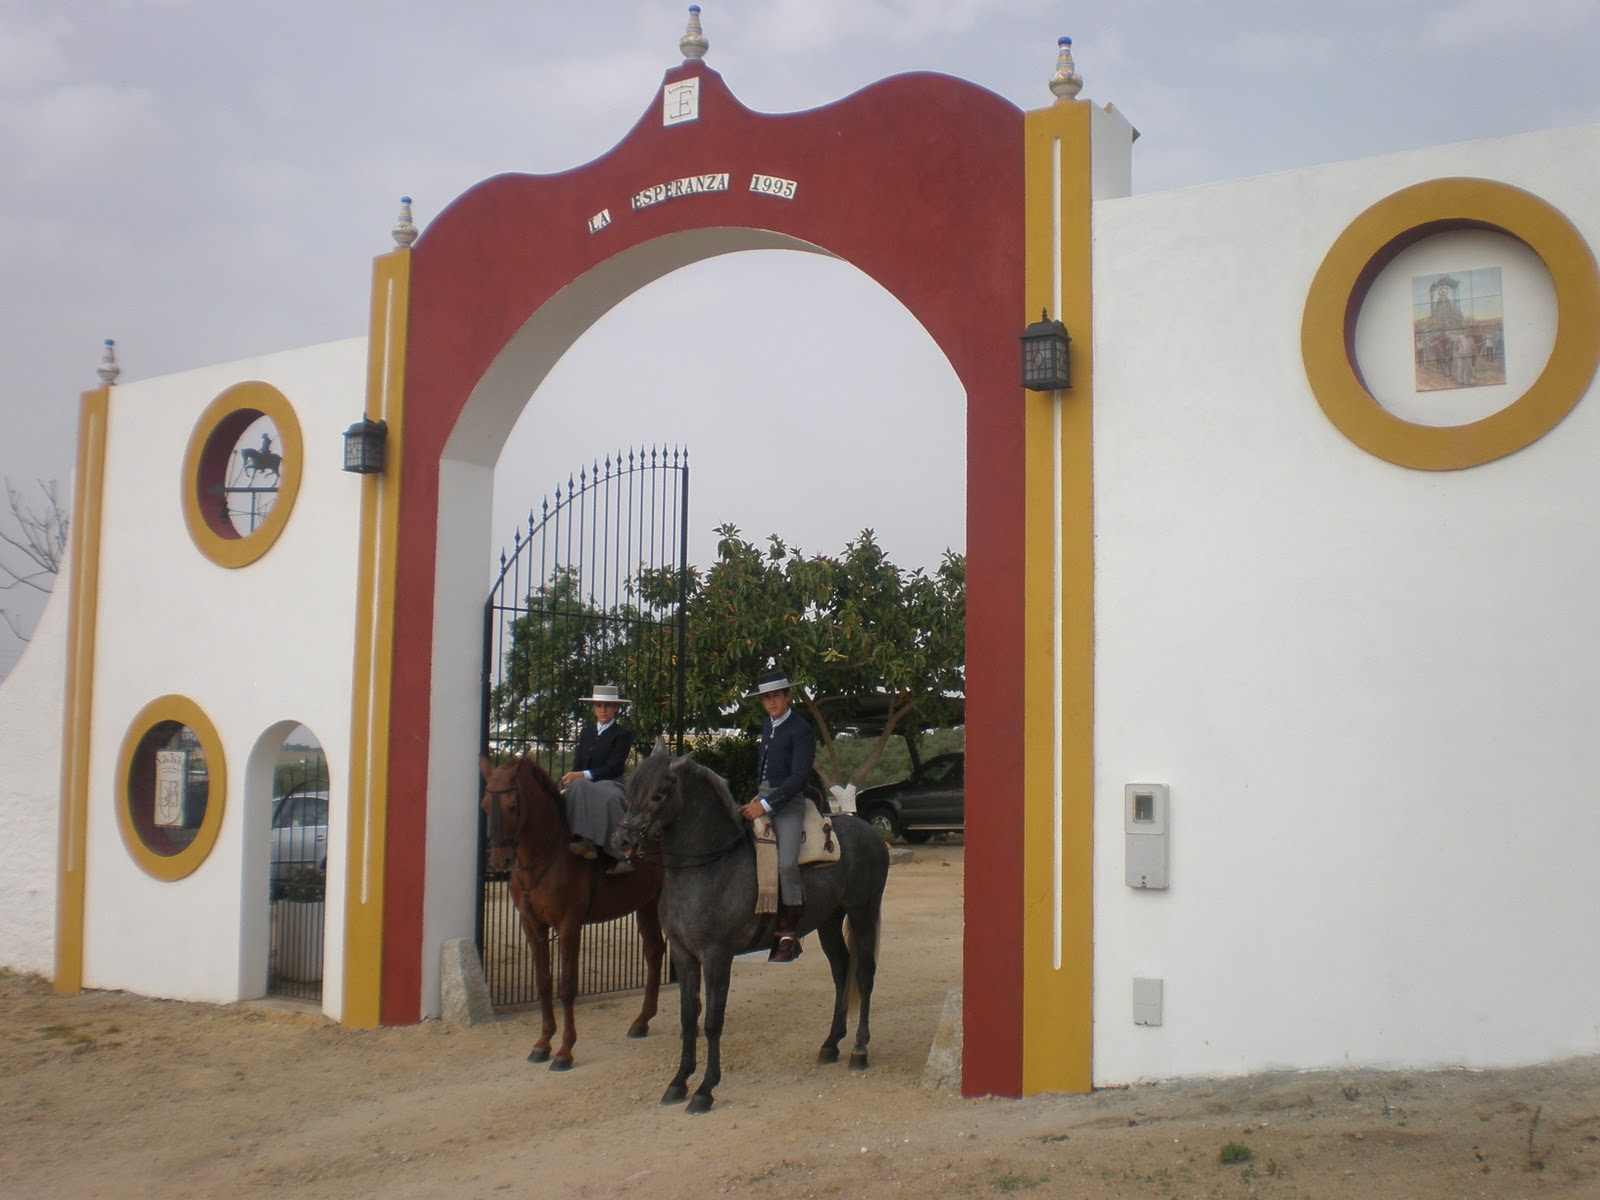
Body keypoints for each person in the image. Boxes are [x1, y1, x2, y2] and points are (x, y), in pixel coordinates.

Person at [737, 668, 817, 962]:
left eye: (776, 696)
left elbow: (798, 778)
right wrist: (758, 799)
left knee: (785, 864)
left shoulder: (801, 729)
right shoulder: (767, 724)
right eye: (766, 698)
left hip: (789, 803)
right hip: (763, 797)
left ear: (788, 696)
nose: (771, 702)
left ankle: (789, 933)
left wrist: (766, 805)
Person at [560, 683, 635, 876]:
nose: (603, 710)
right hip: (584, 783)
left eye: (608, 705)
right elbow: (578, 762)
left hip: (611, 782)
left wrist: (582, 775)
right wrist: (572, 777)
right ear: (594, 708)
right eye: (599, 705)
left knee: (611, 798)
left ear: (615, 708)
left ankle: (621, 854)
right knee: (572, 789)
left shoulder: (622, 734)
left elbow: (614, 767)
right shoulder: (586, 732)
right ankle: (580, 839)